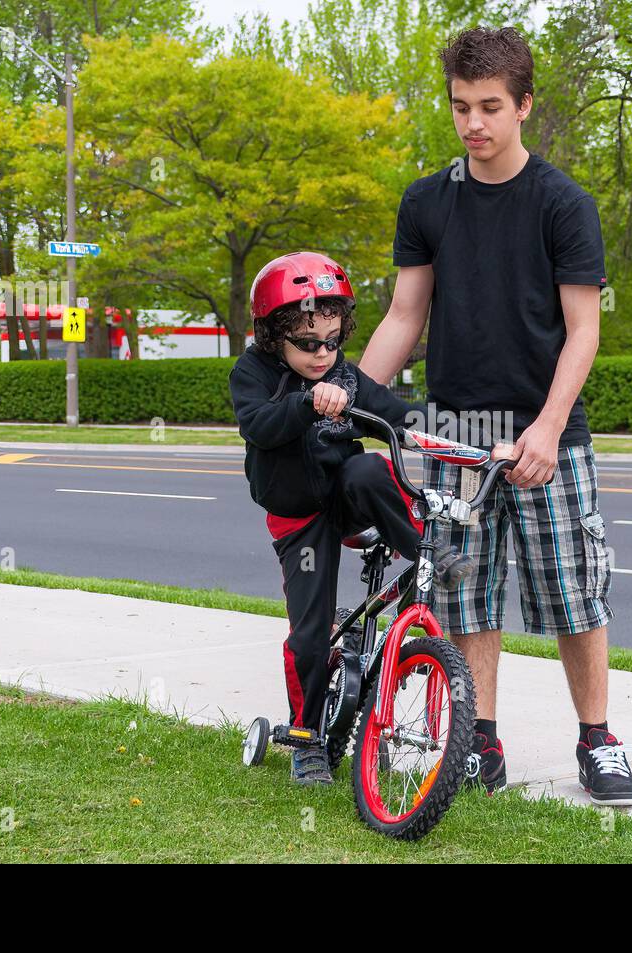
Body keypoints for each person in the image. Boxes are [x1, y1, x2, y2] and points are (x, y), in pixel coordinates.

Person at [357, 27, 632, 805]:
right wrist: (349, 394)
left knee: (574, 595)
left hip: (548, 435)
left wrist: (547, 428)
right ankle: (478, 740)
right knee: (466, 597)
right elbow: (404, 315)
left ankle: (597, 740)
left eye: (488, 107)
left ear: (523, 104)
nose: (472, 123)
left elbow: (583, 331)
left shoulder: (562, 204)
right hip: (455, 435)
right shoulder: (426, 200)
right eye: (459, 107)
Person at [229, 251, 471, 785]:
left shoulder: (345, 375)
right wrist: (308, 403)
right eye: (308, 343)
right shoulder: (253, 372)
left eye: (333, 340)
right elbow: (260, 426)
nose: (323, 354)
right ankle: (307, 738)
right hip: (297, 517)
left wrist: (472, 441)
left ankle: (427, 550)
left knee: (368, 466)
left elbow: (404, 418)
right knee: (311, 633)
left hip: (344, 498)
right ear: (274, 336)